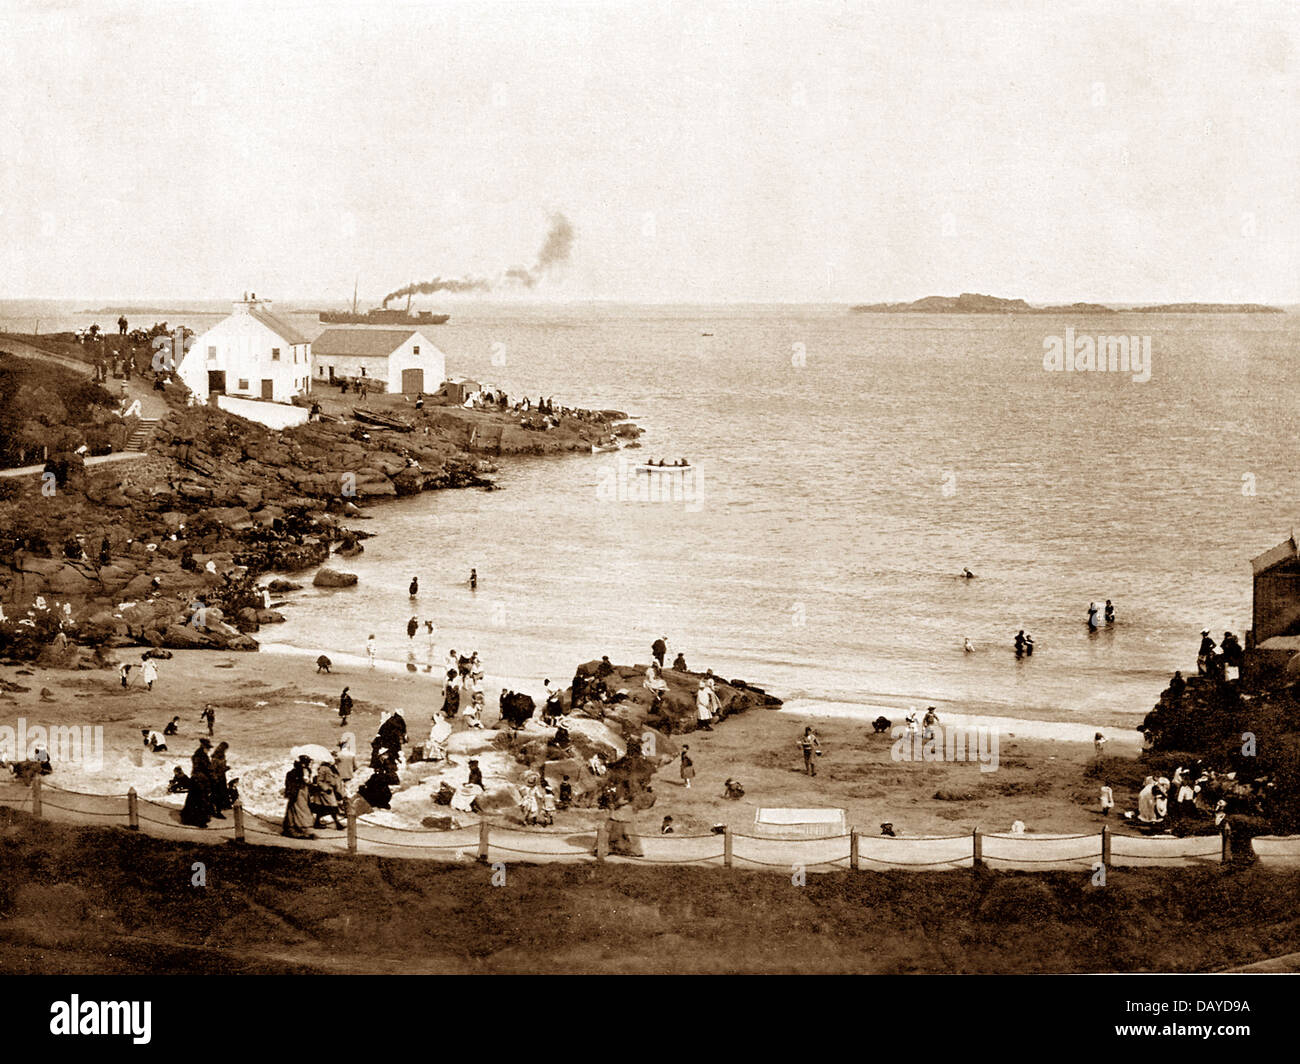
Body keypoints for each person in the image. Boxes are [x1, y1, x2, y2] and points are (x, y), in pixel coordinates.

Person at [181, 739, 216, 827]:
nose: (208, 750)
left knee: (193, 800)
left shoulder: (198, 755)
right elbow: (208, 769)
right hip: (200, 781)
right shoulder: (202, 756)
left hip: (196, 780)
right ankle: (200, 821)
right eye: (208, 748)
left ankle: (189, 819)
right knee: (201, 801)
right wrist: (213, 777)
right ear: (203, 747)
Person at [282, 756, 316, 839]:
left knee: (294, 810)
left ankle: (291, 827)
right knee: (301, 810)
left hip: (299, 793)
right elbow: (305, 781)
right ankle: (302, 828)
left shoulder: (297, 771)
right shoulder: (301, 771)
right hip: (299, 793)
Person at [311, 757, 346, 830]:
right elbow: (319, 781)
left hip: (329, 791)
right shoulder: (323, 768)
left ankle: (317, 823)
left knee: (322, 808)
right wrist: (326, 788)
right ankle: (337, 824)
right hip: (325, 792)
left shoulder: (330, 768)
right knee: (333, 807)